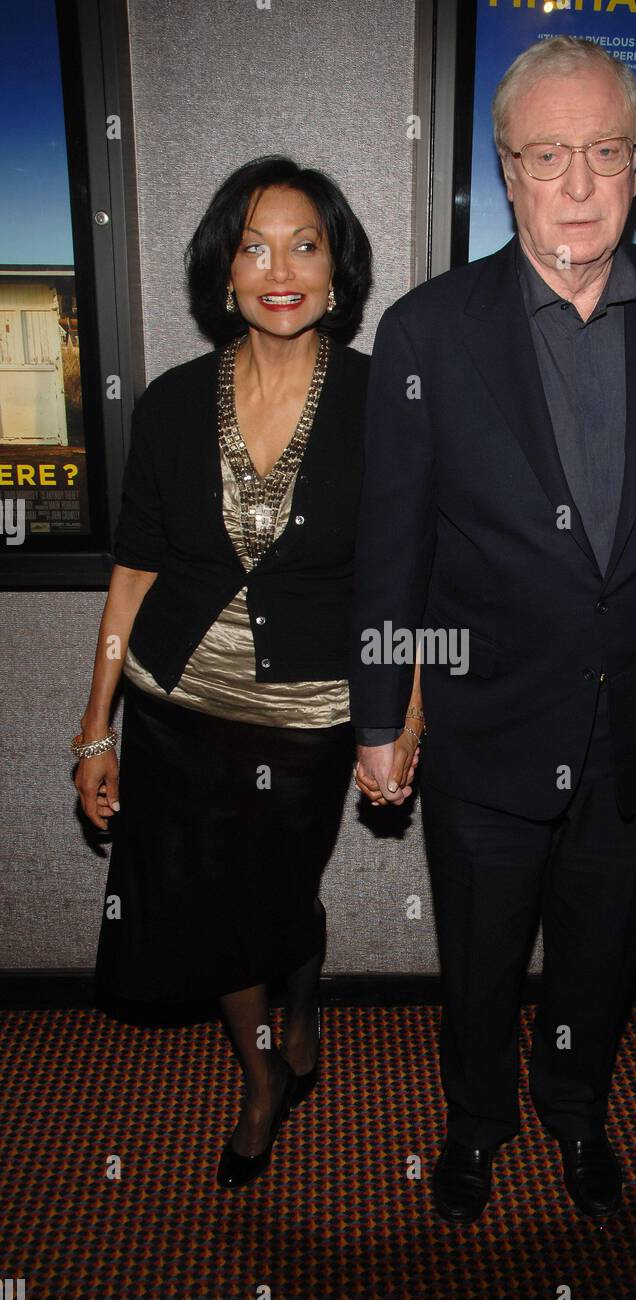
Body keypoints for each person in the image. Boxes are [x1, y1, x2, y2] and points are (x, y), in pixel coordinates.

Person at [350, 37, 636, 1223]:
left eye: (604, 154)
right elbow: (390, 551)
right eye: (546, 156)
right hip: (484, 724)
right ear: (506, 170)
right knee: (479, 958)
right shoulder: (427, 335)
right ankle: (475, 1122)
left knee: (599, 946)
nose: (577, 186)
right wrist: (381, 713)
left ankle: (574, 1107)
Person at [75, 156, 423, 1191]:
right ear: (222, 272)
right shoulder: (173, 404)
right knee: (203, 907)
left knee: (278, 900)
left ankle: (302, 1003)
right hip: (174, 706)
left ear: (336, 268)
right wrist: (95, 725)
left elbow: (410, 578)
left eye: (304, 245)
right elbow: (133, 572)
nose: (279, 269)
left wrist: (404, 709)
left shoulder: (385, 402)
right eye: (253, 246)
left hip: (311, 714)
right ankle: (262, 1071)